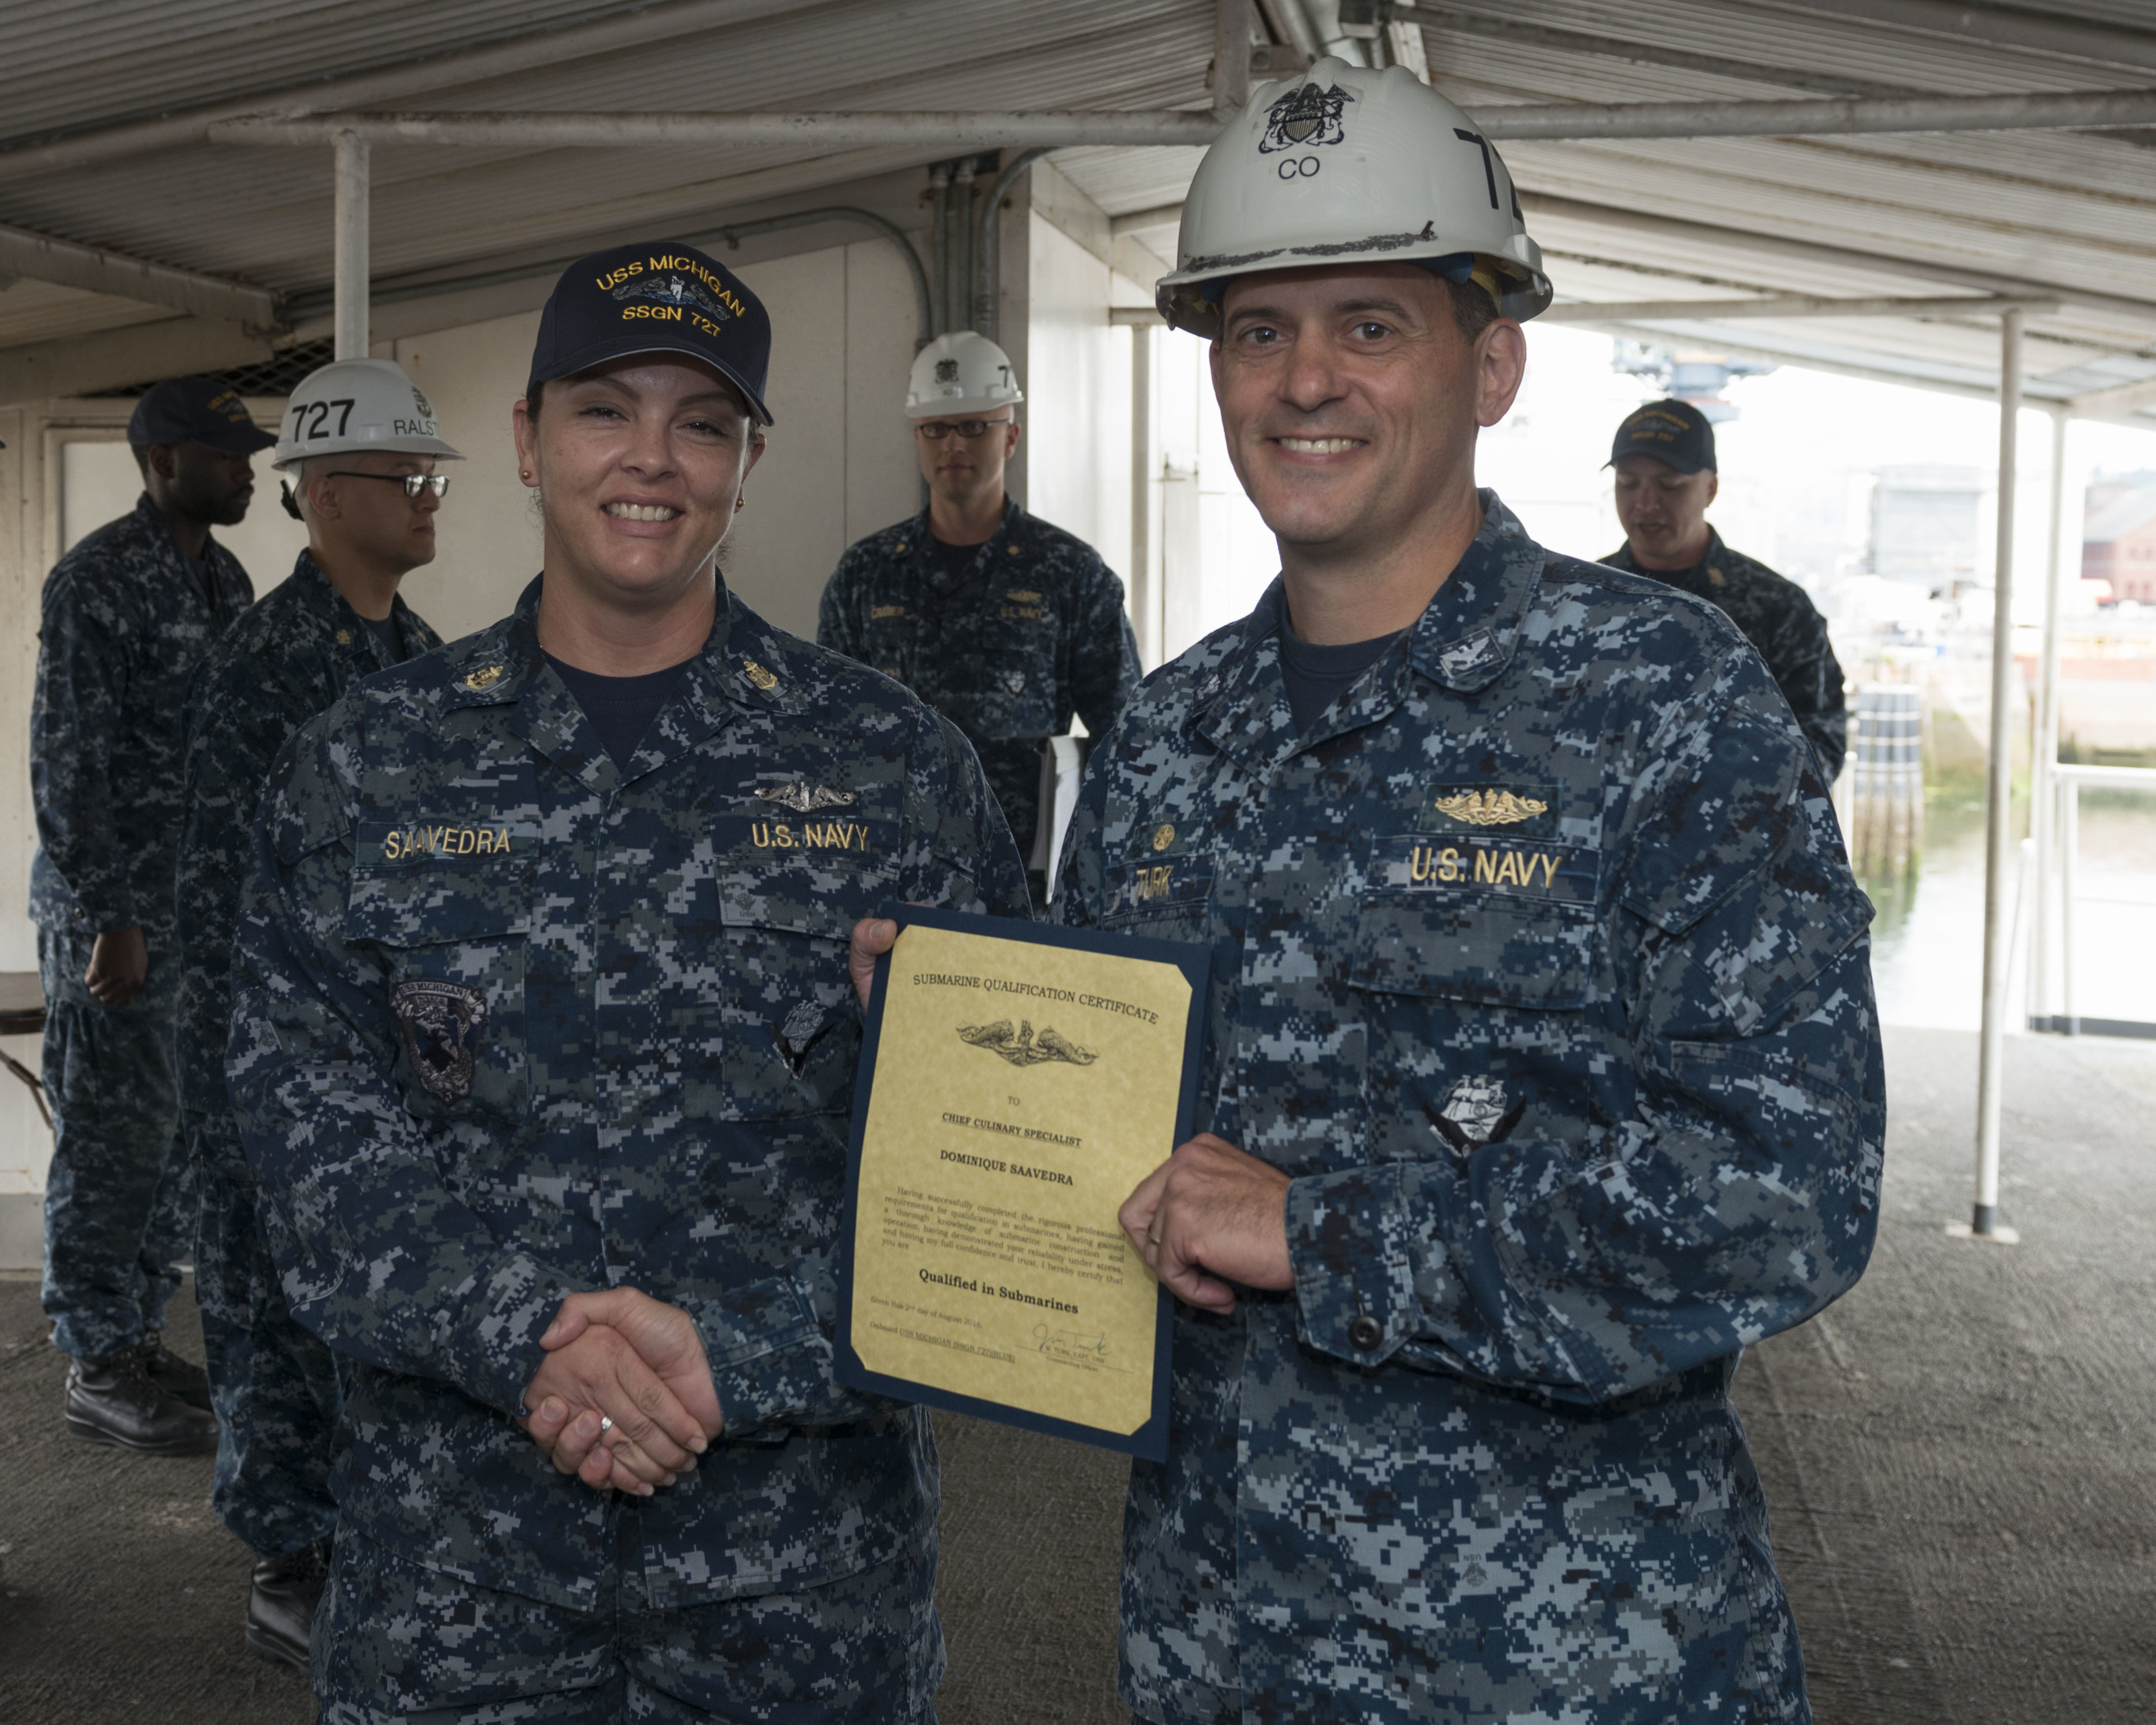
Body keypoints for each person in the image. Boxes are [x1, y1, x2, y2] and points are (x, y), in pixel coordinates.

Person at [864, 58, 1885, 1723]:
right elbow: (1123, 1122)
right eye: (1259, 329)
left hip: (1577, 1662)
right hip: (1225, 1638)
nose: (1305, 378)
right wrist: (951, 1036)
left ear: (1492, 363)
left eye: (1371, 324)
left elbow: (1784, 1194)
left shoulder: (1666, 705)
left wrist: (1326, 1233)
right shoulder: (1176, 732)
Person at [227, 240, 1028, 1722]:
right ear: (528, 441)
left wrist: (736, 1364)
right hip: (458, 1572)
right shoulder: (367, 764)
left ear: (748, 459)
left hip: (798, 1579)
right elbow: (301, 1119)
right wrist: (527, 1340)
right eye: (605, 408)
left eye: (701, 420)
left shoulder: (896, 767)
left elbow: (995, 1167)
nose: (651, 457)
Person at [176, 356, 460, 1670]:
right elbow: (219, 901)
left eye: (430, 477)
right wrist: (240, 1103)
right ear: (330, 492)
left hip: (400, 1062)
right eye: (408, 478)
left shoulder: (421, 662)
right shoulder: (263, 667)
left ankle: (374, 1538)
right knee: (270, 1308)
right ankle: (292, 1559)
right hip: (278, 1063)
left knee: (378, 1308)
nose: (428, 499)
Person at [31, 374, 265, 1455]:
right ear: (163, 462)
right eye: (225, 457)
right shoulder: (98, 583)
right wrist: (105, 914)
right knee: (113, 1135)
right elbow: (68, 759)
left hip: (195, 911)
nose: (247, 472)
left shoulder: (223, 581)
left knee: (171, 1139)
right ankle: (96, 1361)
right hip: (117, 914)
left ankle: (133, 1332)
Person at [818, 330, 1140, 900]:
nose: (953, 446)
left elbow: (1126, 735)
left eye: (974, 426)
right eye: (936, 429)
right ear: (916, 438)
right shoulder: (865, 575)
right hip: (889, 878)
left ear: (1010, 436)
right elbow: (829, 733)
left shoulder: (1069, 573)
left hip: (1021, 885)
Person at [1600, 399, 1848, 780]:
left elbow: (1822, 745)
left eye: (1670, 485)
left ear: (1711, 490)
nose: (1646, 504)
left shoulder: (1778, 609)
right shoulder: (1585, 596)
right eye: (1628, 483)